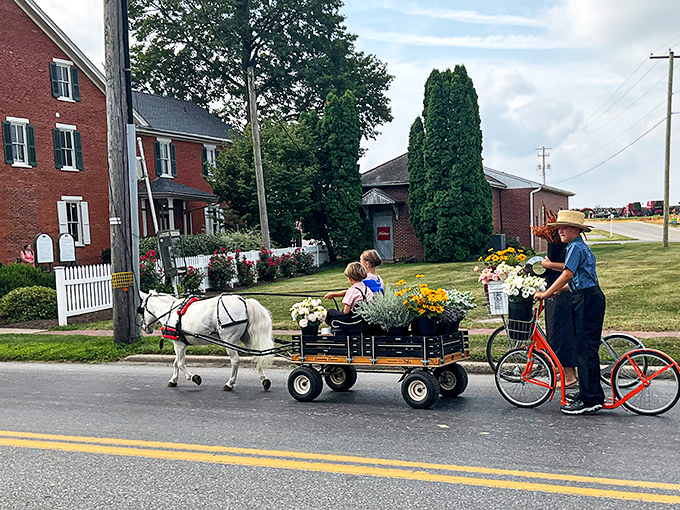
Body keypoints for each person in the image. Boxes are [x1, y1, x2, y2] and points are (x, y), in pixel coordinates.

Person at [535, 210, 605, 415]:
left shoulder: (574, 247)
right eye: (559, 228)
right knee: (584, 348)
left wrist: (547, 293)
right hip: (588, 296)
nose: (561, 231)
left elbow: (567, 274)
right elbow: (578, 281)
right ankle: (587, 392)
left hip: (587, 300)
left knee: (585, 350)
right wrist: (557, 291)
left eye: (564, 228)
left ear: (576, 229)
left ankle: (591, 400)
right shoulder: (580, 247)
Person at [541, 250, 578, 389]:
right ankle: (569, 372)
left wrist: (550, 265)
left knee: (561, 333)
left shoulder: (574, 247)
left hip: (566, 295)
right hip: (567, 291)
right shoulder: (571, 245)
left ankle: (569, 377)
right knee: (564, 333)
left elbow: (568, 269)